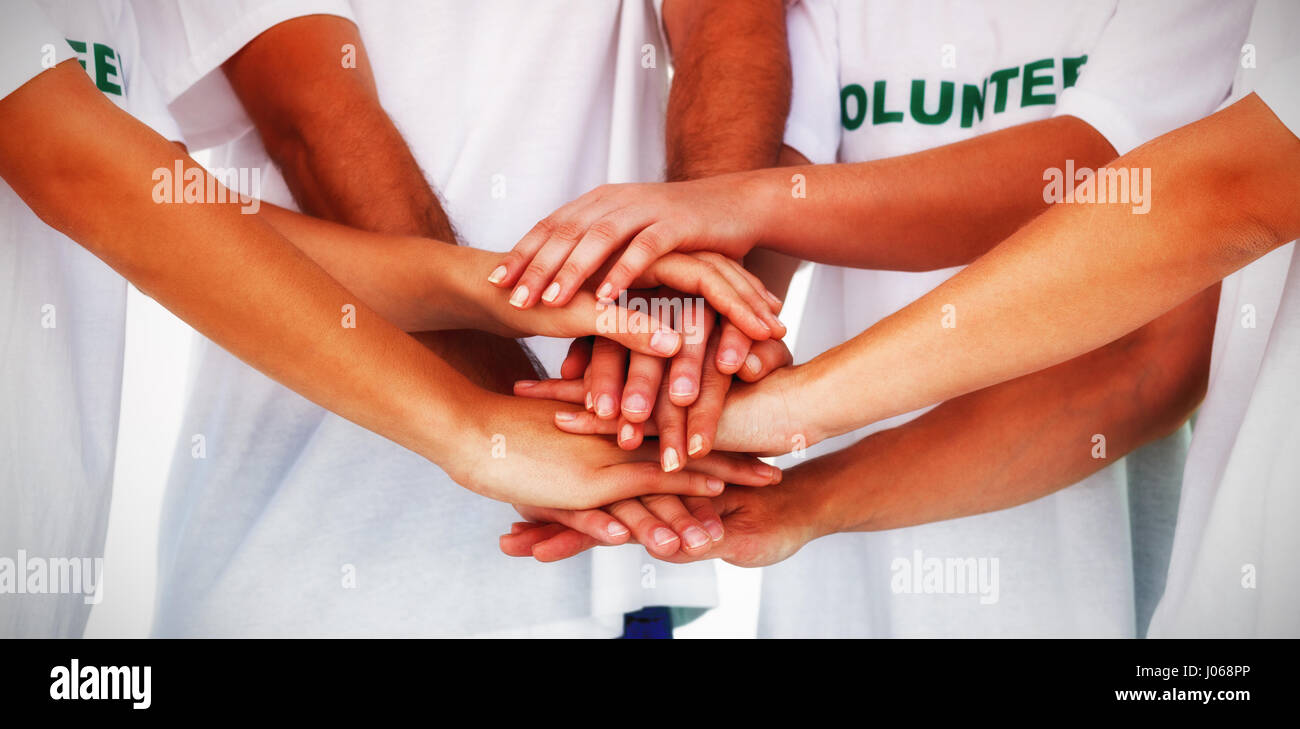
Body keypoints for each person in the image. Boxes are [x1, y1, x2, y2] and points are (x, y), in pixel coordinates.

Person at [503, 0, 1254, 637]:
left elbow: (1101, 191)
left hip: (1083, 588)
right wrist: (664, 379)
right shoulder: (833, 12)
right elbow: (744, 254)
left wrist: (741, 214)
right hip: (835, 581)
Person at [131, 0, 790, 637]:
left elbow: (727, 15)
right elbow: (309, 113)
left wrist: (682, 298)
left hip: (614, 564)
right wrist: (562, 429)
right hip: (316, 561)